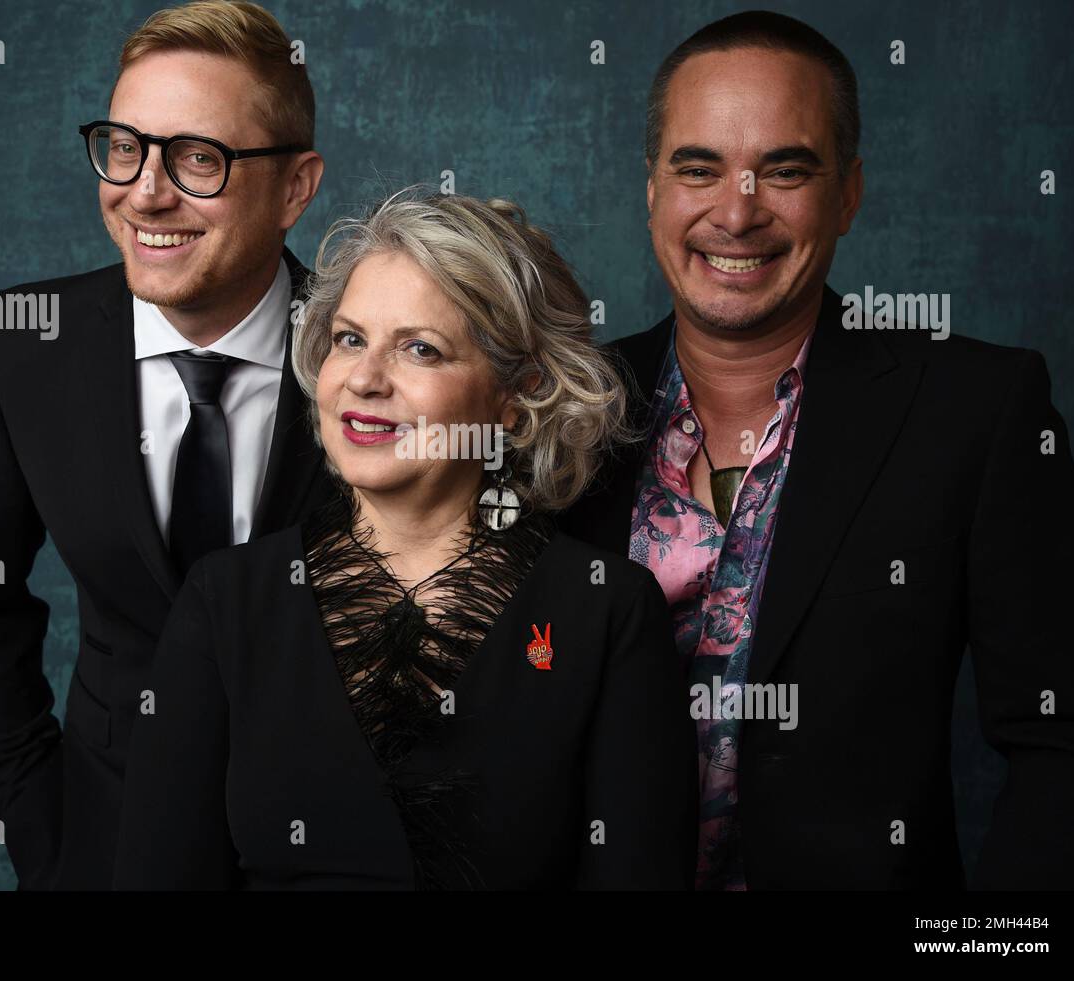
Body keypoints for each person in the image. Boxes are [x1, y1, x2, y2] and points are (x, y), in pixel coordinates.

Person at [560, 10, 1074, 890]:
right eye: (698, 168)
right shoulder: (563, 409)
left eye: (785, 170)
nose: (737, 211)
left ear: (848, 193)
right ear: (652, 190)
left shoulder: (978, 410)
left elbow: (1070, 739)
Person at [112, 189, 698, 889]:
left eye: (420, 348)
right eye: (349, 338)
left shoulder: (607, 610)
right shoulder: (225, 600)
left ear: (517, 394)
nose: (363, 378)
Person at [0, 1, 334, 890]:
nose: (145, 192)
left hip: (339, 848)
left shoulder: (370, 347)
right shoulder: (25, 344)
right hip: (103, 844)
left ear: (297, 188)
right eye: (124, 146)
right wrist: (41, 822)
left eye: (198, 158)